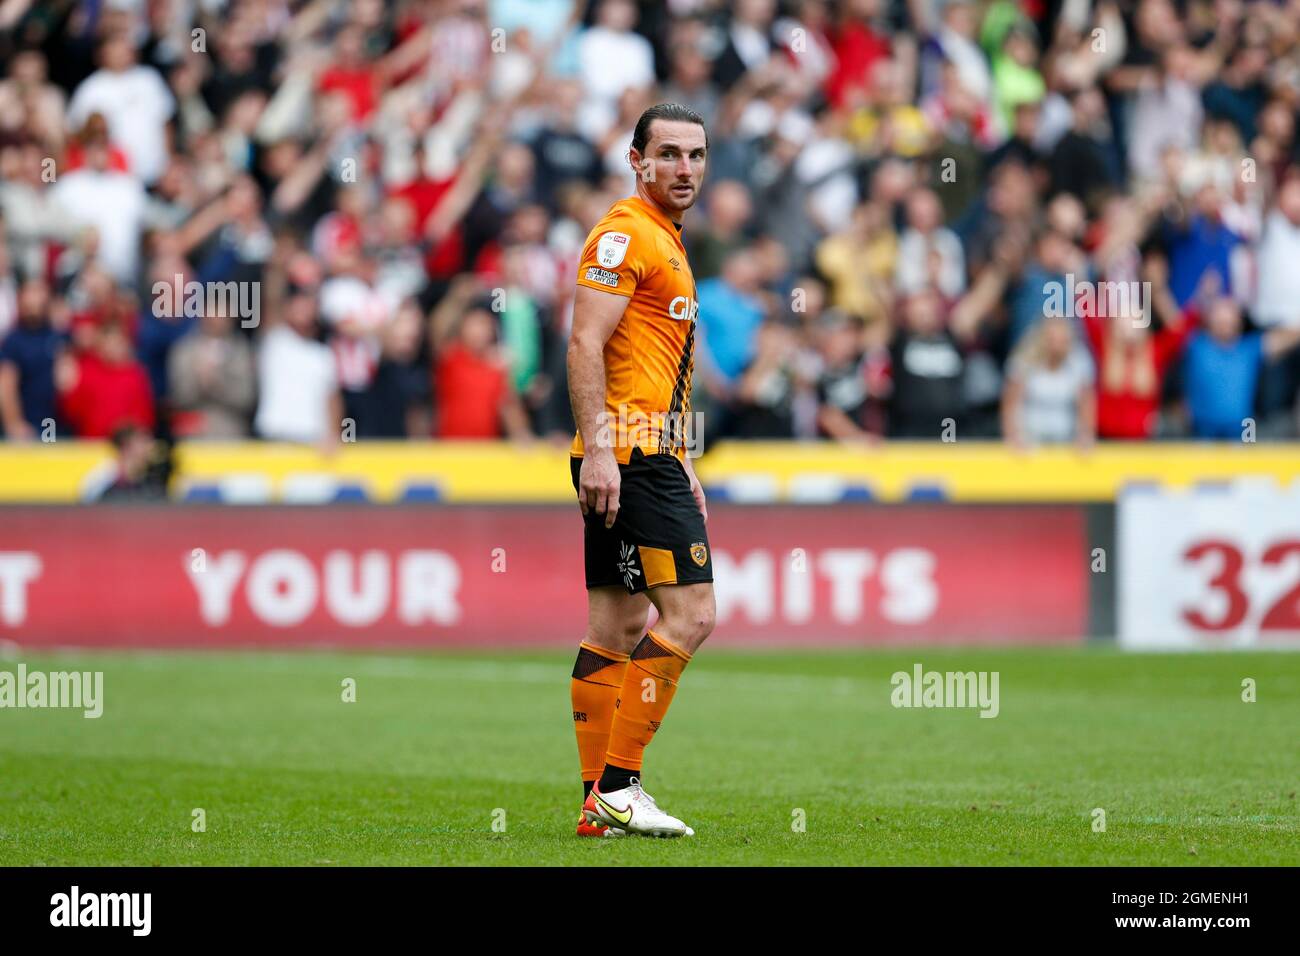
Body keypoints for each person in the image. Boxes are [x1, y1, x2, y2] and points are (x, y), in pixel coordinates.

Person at [566, 103, 712, 838]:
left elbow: (655, 365)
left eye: (696, 155)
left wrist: (683, 453)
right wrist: (600, 448)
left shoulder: (666, 240)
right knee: (692, 614)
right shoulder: (625, 234)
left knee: (618, 621)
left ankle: (598, 804)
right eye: (669, 154)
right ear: (636, 159)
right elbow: (585, 342)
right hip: (626, 454)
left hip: (650, 451)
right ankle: (623, 786)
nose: (684, 169)